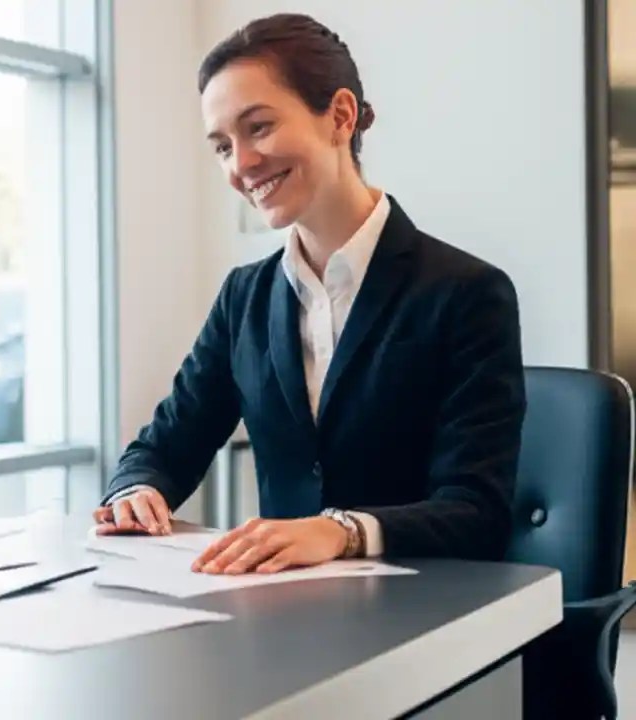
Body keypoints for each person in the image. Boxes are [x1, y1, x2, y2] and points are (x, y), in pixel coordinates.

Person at [93, 13, 526, 575]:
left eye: (259, 127)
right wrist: (137, 489)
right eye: (222, 147)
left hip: (424, 604)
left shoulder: (467, 293)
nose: (241, 165)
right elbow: (165, 445)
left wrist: (342, 532)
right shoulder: (244, 298)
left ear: (340, 116)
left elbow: (477, 511)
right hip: (283, 607)